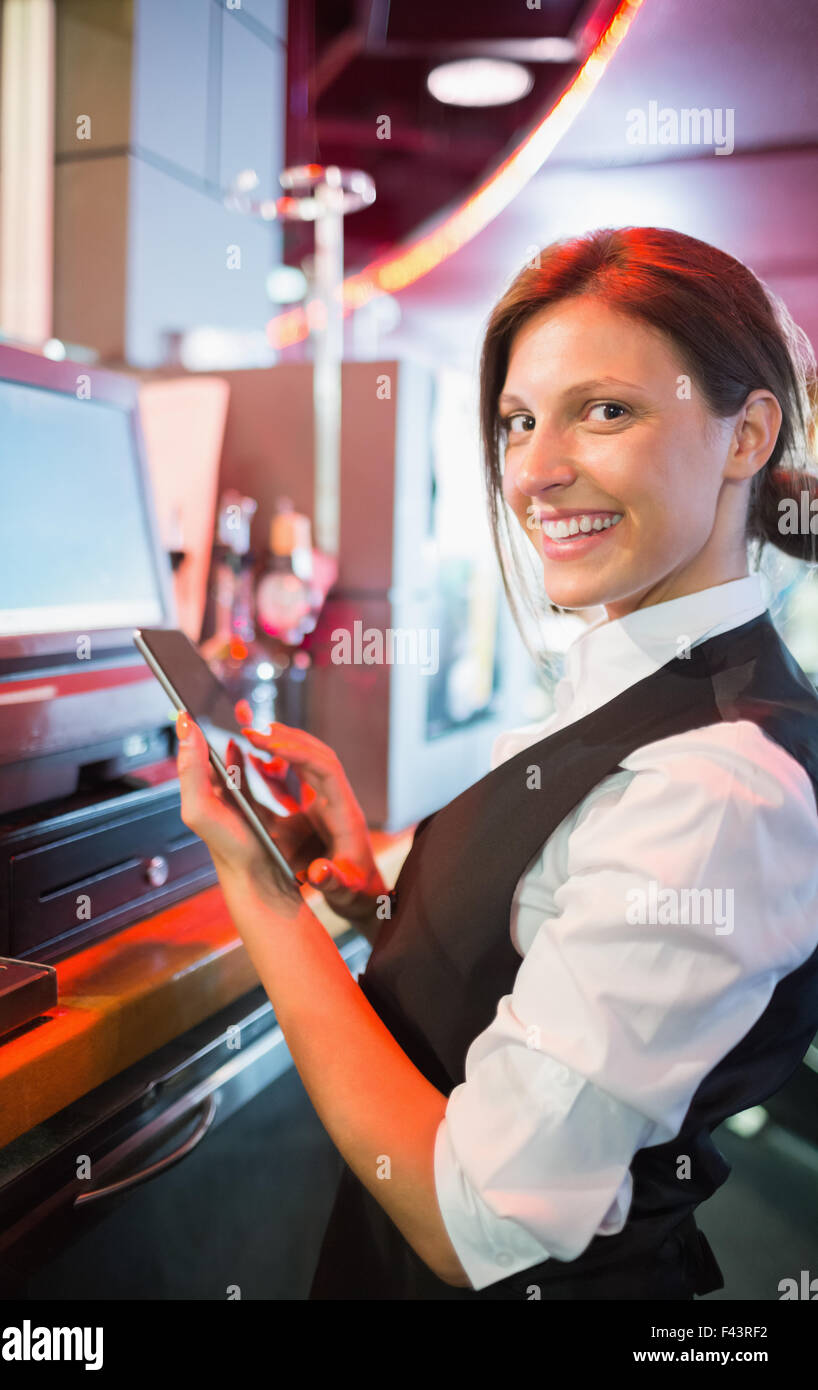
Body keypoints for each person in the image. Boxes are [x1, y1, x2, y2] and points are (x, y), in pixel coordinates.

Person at [174, 226, 818, 1300]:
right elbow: (538, 964)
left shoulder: (716, 784)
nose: (534, 470)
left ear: (744, 433)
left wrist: (262, 896)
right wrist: (381, 906)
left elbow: (466, 1215)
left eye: (604, 410)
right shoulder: (635, 681)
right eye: (517, 421)